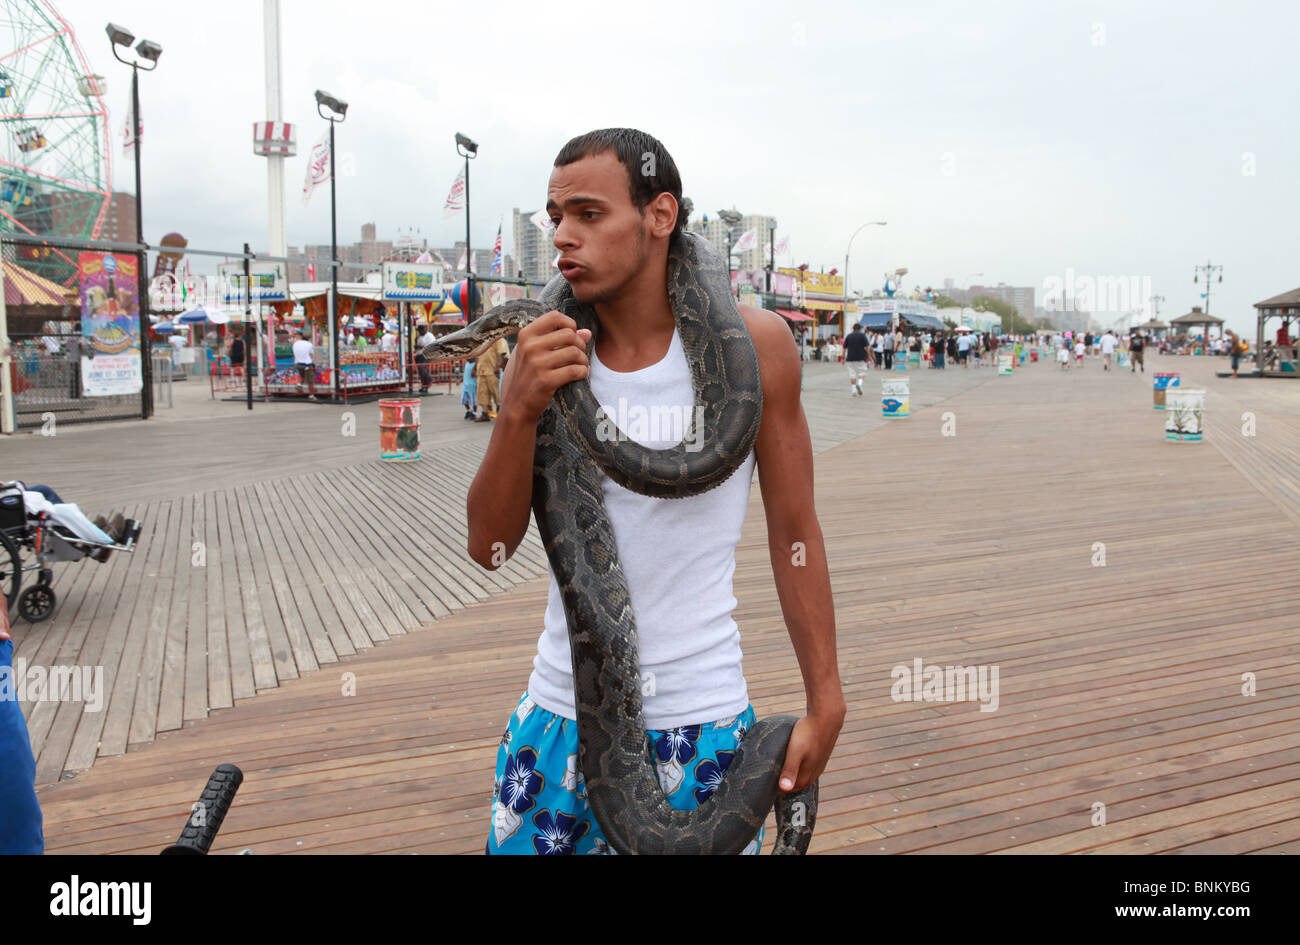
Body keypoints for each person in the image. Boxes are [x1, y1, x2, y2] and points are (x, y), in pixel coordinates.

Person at [469, 128, 843, 855]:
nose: (563, 238)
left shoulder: (759, 348)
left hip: (699, 724)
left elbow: (794, 529)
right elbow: (489, 548)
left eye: (588, 213)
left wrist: (826, 696)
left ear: (660, 216)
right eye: (554, 218)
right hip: (556, 722)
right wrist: (516, 408)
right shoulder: (548, 352)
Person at [473, 335, 509, 421]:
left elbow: (502, 353)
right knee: (482, 393)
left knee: (496, 393)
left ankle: (501, 413)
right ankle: (485, 413)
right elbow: (478, 355)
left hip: (493, 370)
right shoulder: (481, 339)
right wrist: (474, 368)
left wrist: (497, 367)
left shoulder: (499, 339)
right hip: (481, 370)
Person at [843, 322, 870, 396]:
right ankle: (859, 384)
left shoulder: (848, 336)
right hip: (861, 358)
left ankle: (853, 391)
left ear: (853, 328)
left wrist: (843, 358)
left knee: (852, 375)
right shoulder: (863, 336)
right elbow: (867, 347)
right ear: (860, 329)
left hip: (850, 358)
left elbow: (844, 348)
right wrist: (869, 356)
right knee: (862, 372)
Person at [292, 329, 318, 401]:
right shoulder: (309, 344)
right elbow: (311, 356)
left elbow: (294, 355)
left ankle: (299, 385)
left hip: (298, 364)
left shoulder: (295, 344)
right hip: (307, 364)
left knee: (302, 376)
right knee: (310, 381)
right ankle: (311, 395)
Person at [415, 323, 436, 393]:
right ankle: (424, 386)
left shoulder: (429, 336)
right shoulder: (420, 336)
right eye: (419, 330)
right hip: (419, 355)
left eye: (421, 329)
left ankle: (428, 381)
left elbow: (432, 345)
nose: (420, 331)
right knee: (421, 372)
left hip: (426, 355)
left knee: (423, 368)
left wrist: (421, 347)